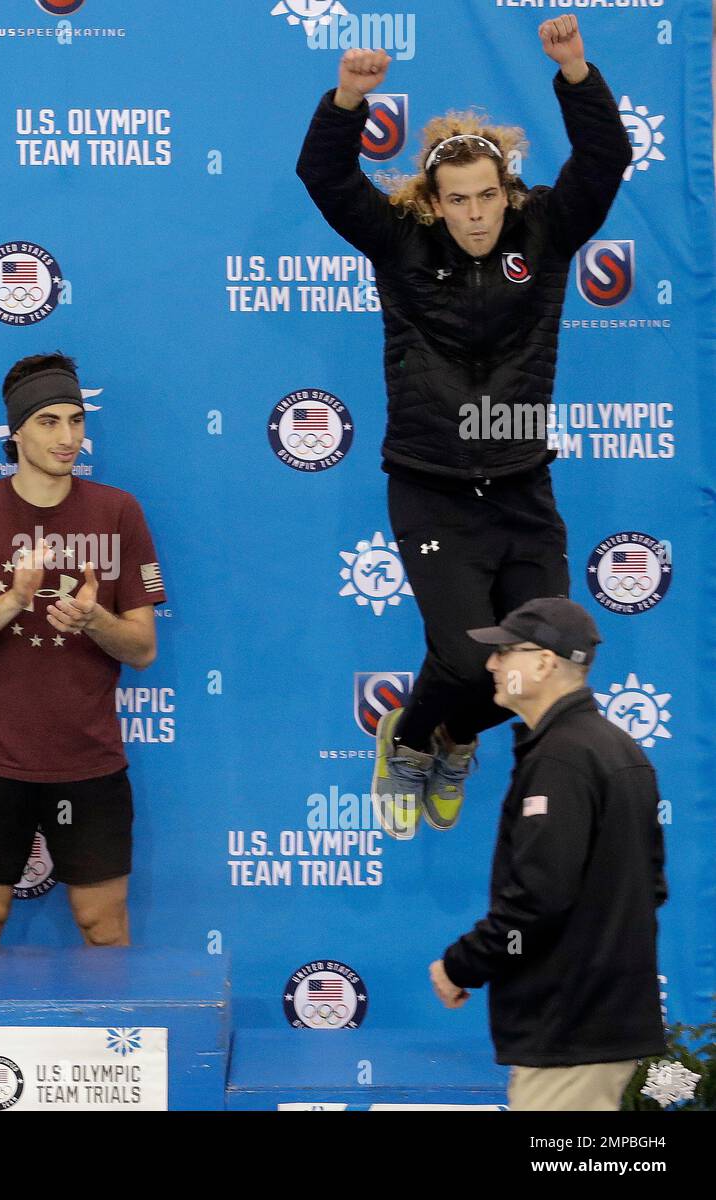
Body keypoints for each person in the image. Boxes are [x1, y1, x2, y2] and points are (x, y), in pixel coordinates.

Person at [296, 17, 633, 839]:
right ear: (433, 202)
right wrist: (348, 99)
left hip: (522, 484)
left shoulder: (545, 236)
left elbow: (604, 162)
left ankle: (447, 736)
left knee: (545, 665)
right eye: (459, 201)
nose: (476, 215)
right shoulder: (400, 244)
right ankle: (409, 739)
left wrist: (576, 74)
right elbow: (327, 177)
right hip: (431, 487)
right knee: (461, 656)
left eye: (488, 196)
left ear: (508, 190)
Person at [0, 353, 165, 948]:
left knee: (102, 925)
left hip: (91, 762)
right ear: (16, 432)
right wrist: (11, 600)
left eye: (76, 421)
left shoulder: (118, 512)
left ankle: (116, 1042)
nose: (68, 437)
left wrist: (93, 618)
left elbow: (143, 649)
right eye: (50, 421)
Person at [428, 598, 666, 1112]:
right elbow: (650, 888)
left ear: (544, 662)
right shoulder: (616, 750)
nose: (491, 665)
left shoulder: (562, 757)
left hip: (569, 1029)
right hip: (593, 1027)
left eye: (505, 653)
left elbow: (539, 900)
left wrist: (462, 965)